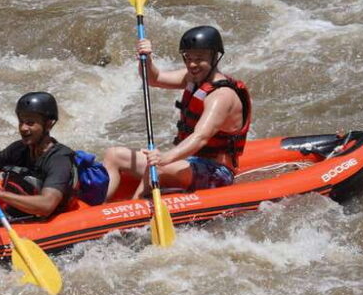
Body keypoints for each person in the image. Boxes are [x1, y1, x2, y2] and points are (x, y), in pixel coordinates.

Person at [102, 25, 252, 200]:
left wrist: (165, 158)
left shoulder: (221, 96)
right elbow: (153, 78)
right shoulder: (192, 78)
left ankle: (130, 212)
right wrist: (147, 58)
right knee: (113, 155)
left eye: (199, 58)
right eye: (188, 58)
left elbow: (200, 137)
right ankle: (99, 209)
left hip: (216, 173)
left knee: (156, 168)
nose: (192, 64)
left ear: (214, 56)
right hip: (191, 163)